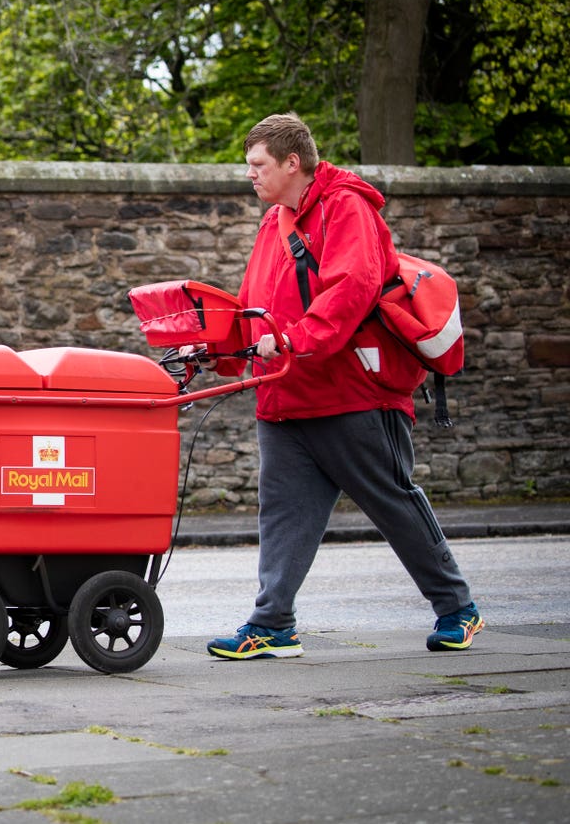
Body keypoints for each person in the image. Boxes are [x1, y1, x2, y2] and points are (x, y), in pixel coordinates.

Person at [203, 113, 481, 658]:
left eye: (258, 165)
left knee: (392, 502)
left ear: (291, 162)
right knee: (283, 512)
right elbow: (256, 301)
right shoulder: (273, 222)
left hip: (352, 391)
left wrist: (291, 342)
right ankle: (273, 623)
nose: (250, 176)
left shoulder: (346, 207)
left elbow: (349, 290)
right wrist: (223, 351)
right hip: (287, 394)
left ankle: (458, 609)